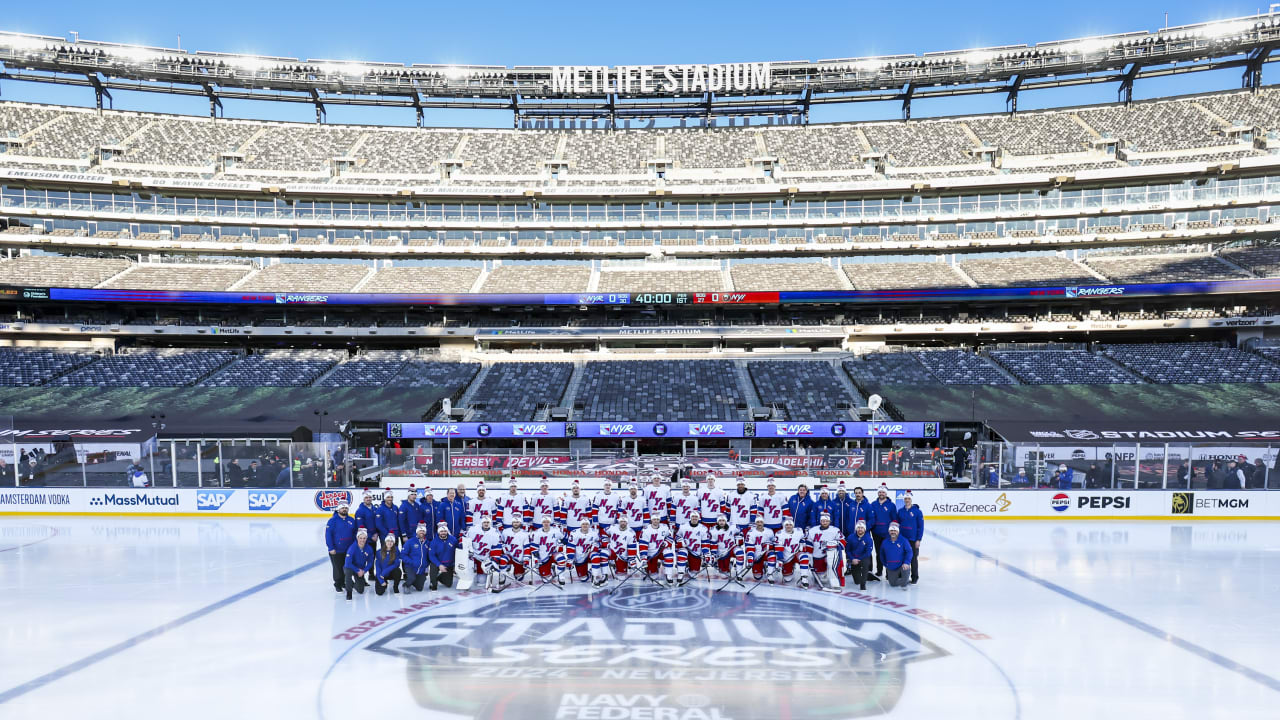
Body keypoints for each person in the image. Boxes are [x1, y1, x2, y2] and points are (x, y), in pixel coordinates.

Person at [325, 500, 357, 593]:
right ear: (338, 509)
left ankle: (344, 582)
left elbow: (355, 533)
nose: (344, 509)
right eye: (342, 508)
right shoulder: (332, 521)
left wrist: (354, 546)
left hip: (348, 549)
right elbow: (328, 535)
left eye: (346, 508)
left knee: (346, 567)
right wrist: (331, 547)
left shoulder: (351, 520)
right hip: (336, 550)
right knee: (338, 568)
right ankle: (338, 584)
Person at [867, 485, 897, 579]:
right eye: (880, 492)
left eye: (883, 492)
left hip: (887, 534)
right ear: (878, 493)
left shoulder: (891, 505)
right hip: (876, 533)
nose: (881, 494)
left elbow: (894, 519)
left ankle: (889, 573)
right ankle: (879, 571)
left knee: (887, 553)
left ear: (886, 493)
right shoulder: (873, 504)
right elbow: (871, 518)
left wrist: (893, 532)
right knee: (879, 553)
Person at [897, 492, 924, 584]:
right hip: (902, 539)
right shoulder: (900, 511)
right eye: (905, 499)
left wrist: (918, 539)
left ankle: (915, 577)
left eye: (908, 499)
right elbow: (898, 525)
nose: (907, 500)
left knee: (913, 559)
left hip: (913, 539)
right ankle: (901, 575)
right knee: (901, 557)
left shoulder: (917, 511)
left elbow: (921, 527)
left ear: (911, 500)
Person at [880, 522, 914, 590]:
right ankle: (903, 579)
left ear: (898, 531)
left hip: (902, 565)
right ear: (889, 531)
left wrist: (906, 562)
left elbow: (909, 552)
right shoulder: (885, 542)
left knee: (904, 579)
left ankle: (905, 580)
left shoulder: (904, 540)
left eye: (895, 530)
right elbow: (881, 554)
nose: (893, 532)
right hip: (891, 566)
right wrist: (886, 564)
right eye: (891, 530)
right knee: (892, 584)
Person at [343, 528, 375, 600]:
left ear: (366, 538)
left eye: (364, 538)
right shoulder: (352, 548)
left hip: (360, 570)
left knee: (360, 590)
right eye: (360, 538)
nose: (362, 540)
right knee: (348, 573)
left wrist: (364, 571)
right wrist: (357, 570)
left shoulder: (369, 549)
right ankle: (349, 592)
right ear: (357, 538)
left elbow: (370, 562)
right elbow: (348, 563)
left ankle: (352, 584)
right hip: (350, 567)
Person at [427, 522, 458, 590]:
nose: (443, 533)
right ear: (438, 532)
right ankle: (433, 581)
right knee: (433, 565)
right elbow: (431, 555)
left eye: (445, 531)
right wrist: (439, 564)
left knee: (448, 584)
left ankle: (439, 577)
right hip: (438, 563)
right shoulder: (434, 542)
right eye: (441, 531)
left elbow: (458, 550)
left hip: (449, 564)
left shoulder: (453, 539)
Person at [402, 524, 432, 593]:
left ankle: (411, 579)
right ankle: (406, 584)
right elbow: (403, 554)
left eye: (423, 531)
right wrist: (411, 562)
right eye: (420, 530)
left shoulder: (427, 543)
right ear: (417, 532)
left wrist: (426, 566)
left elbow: (429, 556)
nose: (421, 532)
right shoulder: (410, 541)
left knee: (419, 588)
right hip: (410, 566)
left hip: (421, 568)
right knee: (412, 578)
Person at [847, 520, 873, 590]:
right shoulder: (850, 537)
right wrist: (852, 559)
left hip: (863, 558)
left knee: (866, 563)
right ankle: (869, 576)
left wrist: (859, 559)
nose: (860, 529)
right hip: (853, 558)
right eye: (858, 528)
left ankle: (863, 584)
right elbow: (848, 550)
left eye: (862, 528)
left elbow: (868, 552)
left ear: (864, 529)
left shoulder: (868, 539)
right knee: (857, 581)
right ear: (856, 529)